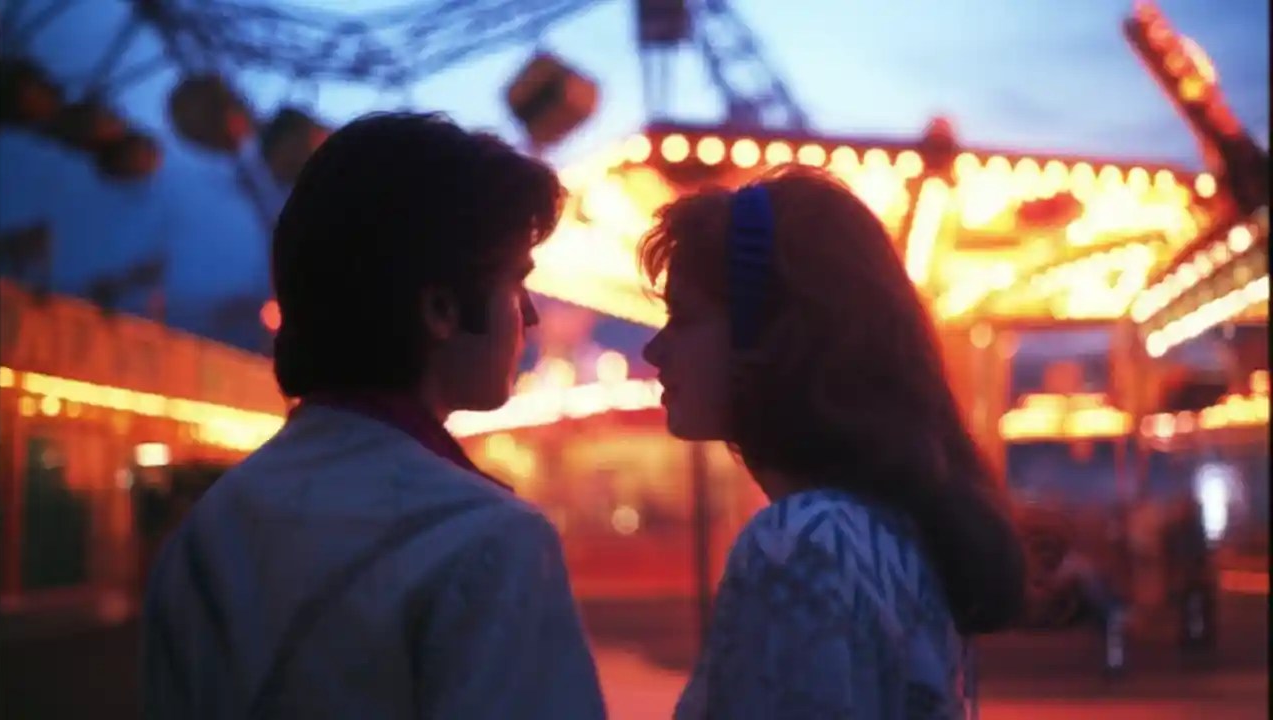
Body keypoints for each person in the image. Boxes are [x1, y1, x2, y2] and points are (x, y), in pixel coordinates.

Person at [140, 113, 606, 719]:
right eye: (516, 285)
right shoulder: (487, 542)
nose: (531, 318)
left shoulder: (204, 535)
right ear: (441, 309)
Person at [639, 166, 1027, 719]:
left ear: (773, 338)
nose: (654, 351)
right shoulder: (904, 531)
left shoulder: (800, 541)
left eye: (685, 318)